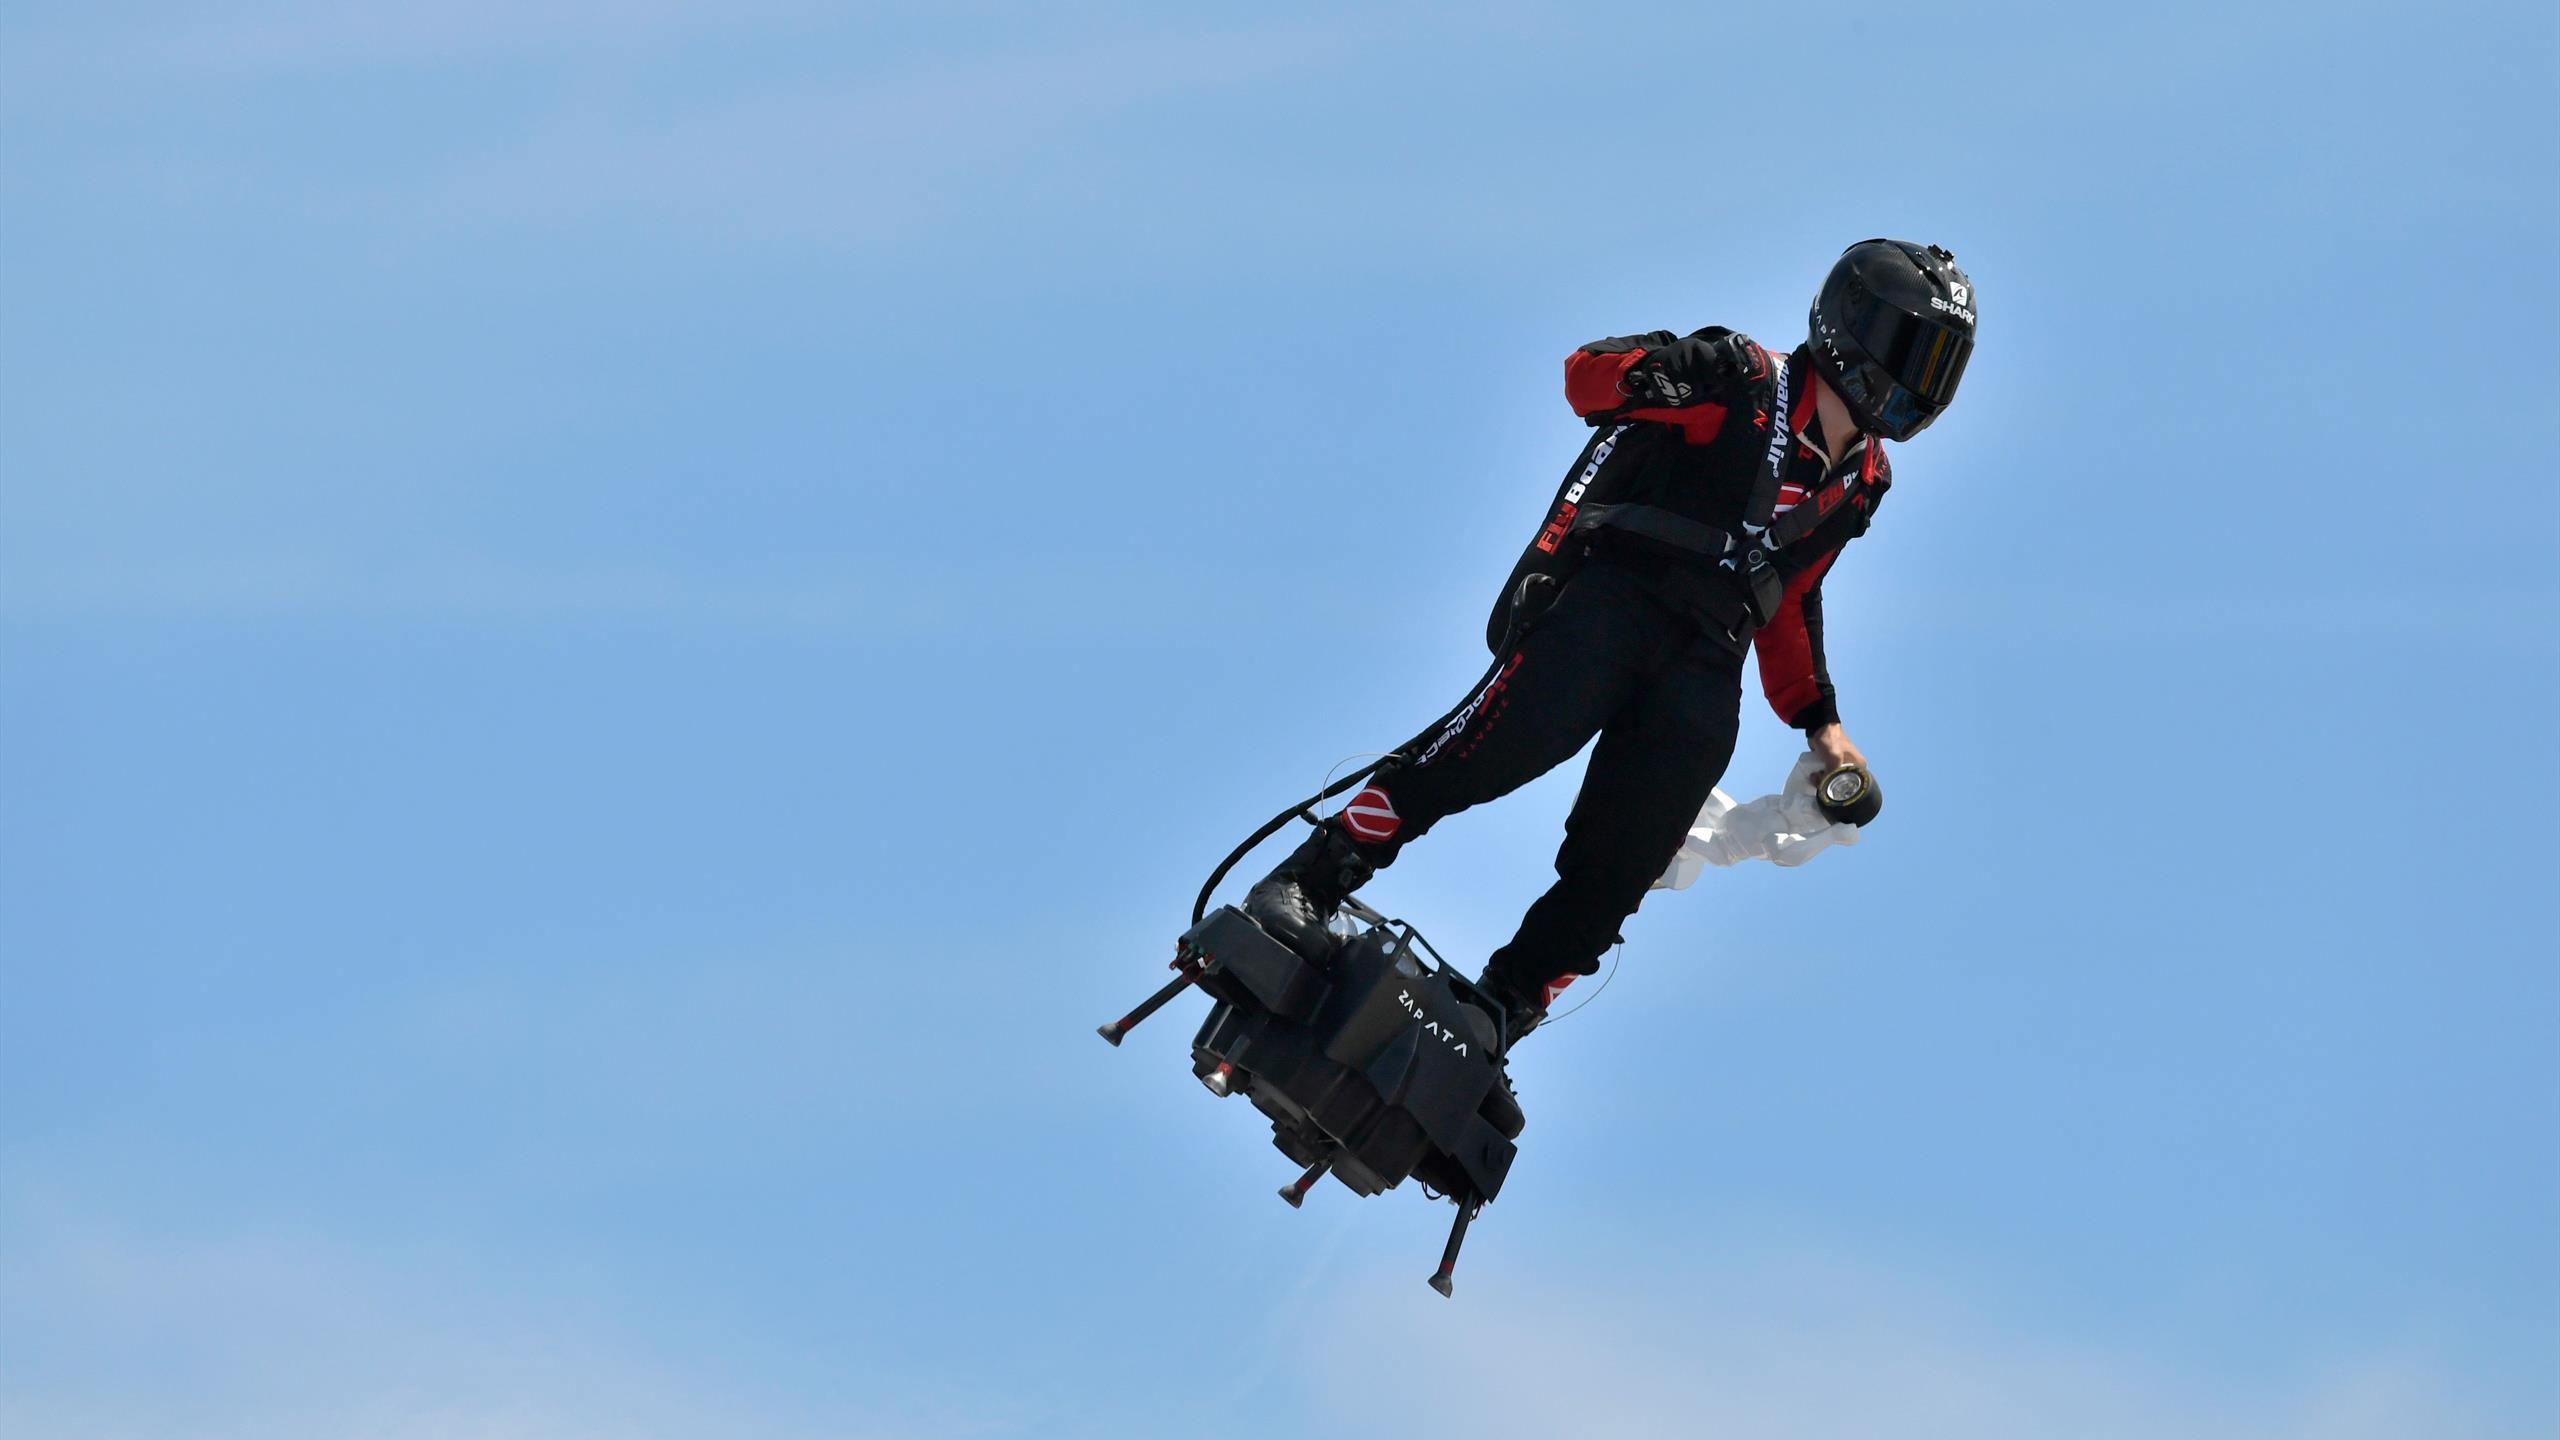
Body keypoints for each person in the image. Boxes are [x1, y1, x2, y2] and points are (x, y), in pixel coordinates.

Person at [1241, 239, 1977, 1051]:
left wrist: (1821, 724)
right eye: (1915, 349)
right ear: (1851, 328)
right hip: (1619, 605)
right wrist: (1664, 368)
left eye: (1942, 363)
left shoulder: (1865, 482)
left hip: (1710, 660)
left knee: (1626, 862)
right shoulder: (1744, 380)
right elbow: (1585, 379)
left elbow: (1795, 595)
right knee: (1486, 754)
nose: (1924, 381)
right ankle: (1308, 882)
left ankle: (1495, 1021)